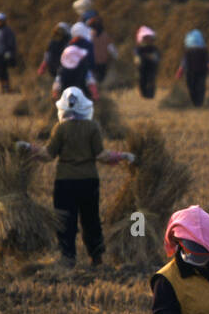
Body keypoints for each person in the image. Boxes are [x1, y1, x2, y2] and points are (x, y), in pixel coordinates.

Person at [19, 87, 131, 267]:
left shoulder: (60, 128)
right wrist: (122, 156)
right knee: (91, 219)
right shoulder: (93, 127)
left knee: (65, 220)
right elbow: (102, 156)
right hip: (89, 182)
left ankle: (67, 256)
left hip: (65, 183)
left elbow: (48, 155)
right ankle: (96, 257)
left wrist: (28, 148)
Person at [175, 29, 209, 107]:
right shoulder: (200, 51)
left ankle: (198, 102)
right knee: (196, 87)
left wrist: (179, 72)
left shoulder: (194, 52)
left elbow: (183, 63)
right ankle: (197, 102)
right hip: (196, 72)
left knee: (195, 87)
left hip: (195, 73)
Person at [0, 13, 19, 93]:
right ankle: (3, 87)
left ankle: (7, 87)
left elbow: (11, 43)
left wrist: (9, 52)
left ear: (4, 21)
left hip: (4, 55)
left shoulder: (8, 31)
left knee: (3, 71)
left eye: (0, 21)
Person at [86, 15, 117, 85]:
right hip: (103, 61)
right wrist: (116, 56)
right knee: (101, 77)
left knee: (95, 78)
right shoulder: (105, 35)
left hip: (93, 61)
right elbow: (111, 48)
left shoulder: (89, 36)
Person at [134, 26, 161, 99]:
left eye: (149, 38)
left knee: (151, 80)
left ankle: (150, 94)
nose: (148, 40)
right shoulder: (139, 48)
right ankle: (144, 94)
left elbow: (157, 57)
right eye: (146, 38)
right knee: (142, 80)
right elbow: (137, 57)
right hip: (142, 68)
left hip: (151, 67)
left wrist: (154, 58)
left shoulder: (153, 48)